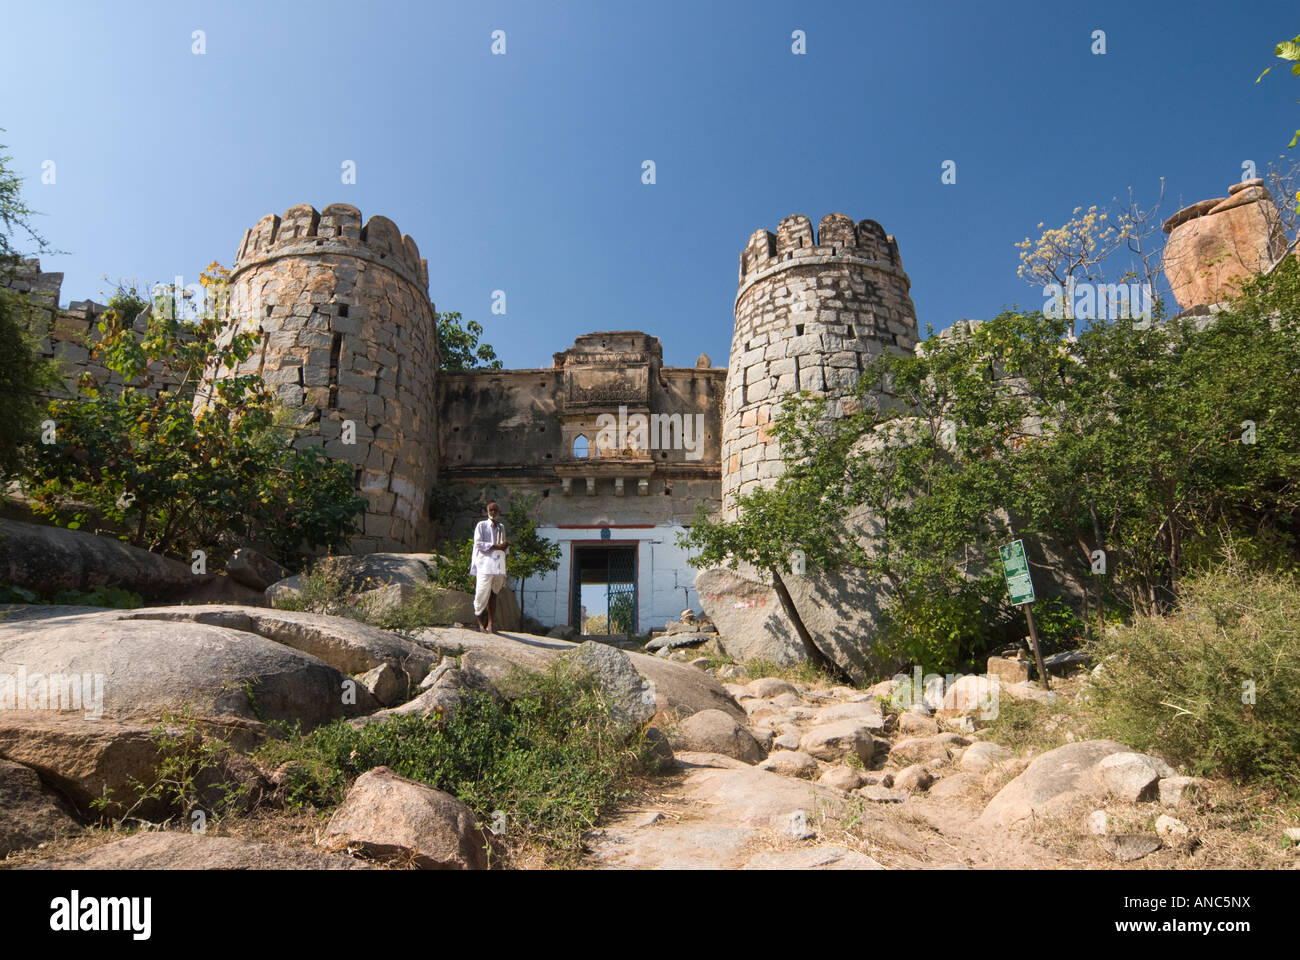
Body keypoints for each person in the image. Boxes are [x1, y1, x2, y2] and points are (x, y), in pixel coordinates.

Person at [470, 502, 510, 633]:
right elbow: (479, 544)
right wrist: (496, 546)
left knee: (494, 592)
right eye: (491, 510)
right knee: (482, 592)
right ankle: (479, 622)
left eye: (495, 510)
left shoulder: (501, 527)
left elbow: (503, 547)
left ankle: (491, 624)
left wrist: (504, 546)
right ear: (487, 511)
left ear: (498, 512)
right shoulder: (481, 526)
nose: (493, 513)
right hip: (484, 564)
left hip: (498, 564)